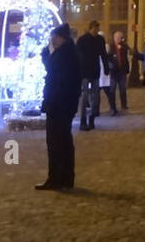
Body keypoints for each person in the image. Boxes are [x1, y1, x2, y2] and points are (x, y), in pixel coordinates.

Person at [37, 23, 82, 191]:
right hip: (64, 104)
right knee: (64, 141)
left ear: (61, 38)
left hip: (58, 105)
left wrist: (46, 54)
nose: (51, 40)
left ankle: (55, 177)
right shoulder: (68, 52)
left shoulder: (64, 55)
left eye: (53, 37)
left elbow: (54, 74)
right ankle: (65, 177)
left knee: (56, 142)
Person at [75, 20, 109, 130]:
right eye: (95, 29)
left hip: (94, 71)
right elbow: (78, 56)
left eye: (97, 29)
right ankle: (83, 120)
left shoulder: (99, 39)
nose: (96, 31)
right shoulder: (82, 40)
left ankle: (92, 118)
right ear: (90, 28)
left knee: (96, 97)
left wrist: (106, 67)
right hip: (85, 72)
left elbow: (103, 54)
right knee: (85, 97)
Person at [103, 31, 133, 115]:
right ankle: (112, 107)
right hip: (113, 72)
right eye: (116, 37)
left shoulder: (125, 46)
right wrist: (110, 65)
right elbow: (107, 57)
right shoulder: (110, 46)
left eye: (120, 37)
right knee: (112, 90)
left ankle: (124, 105)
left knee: (122, 89)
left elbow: (128, 57)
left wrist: (127, 69)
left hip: (122, 71)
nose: (118, 39)